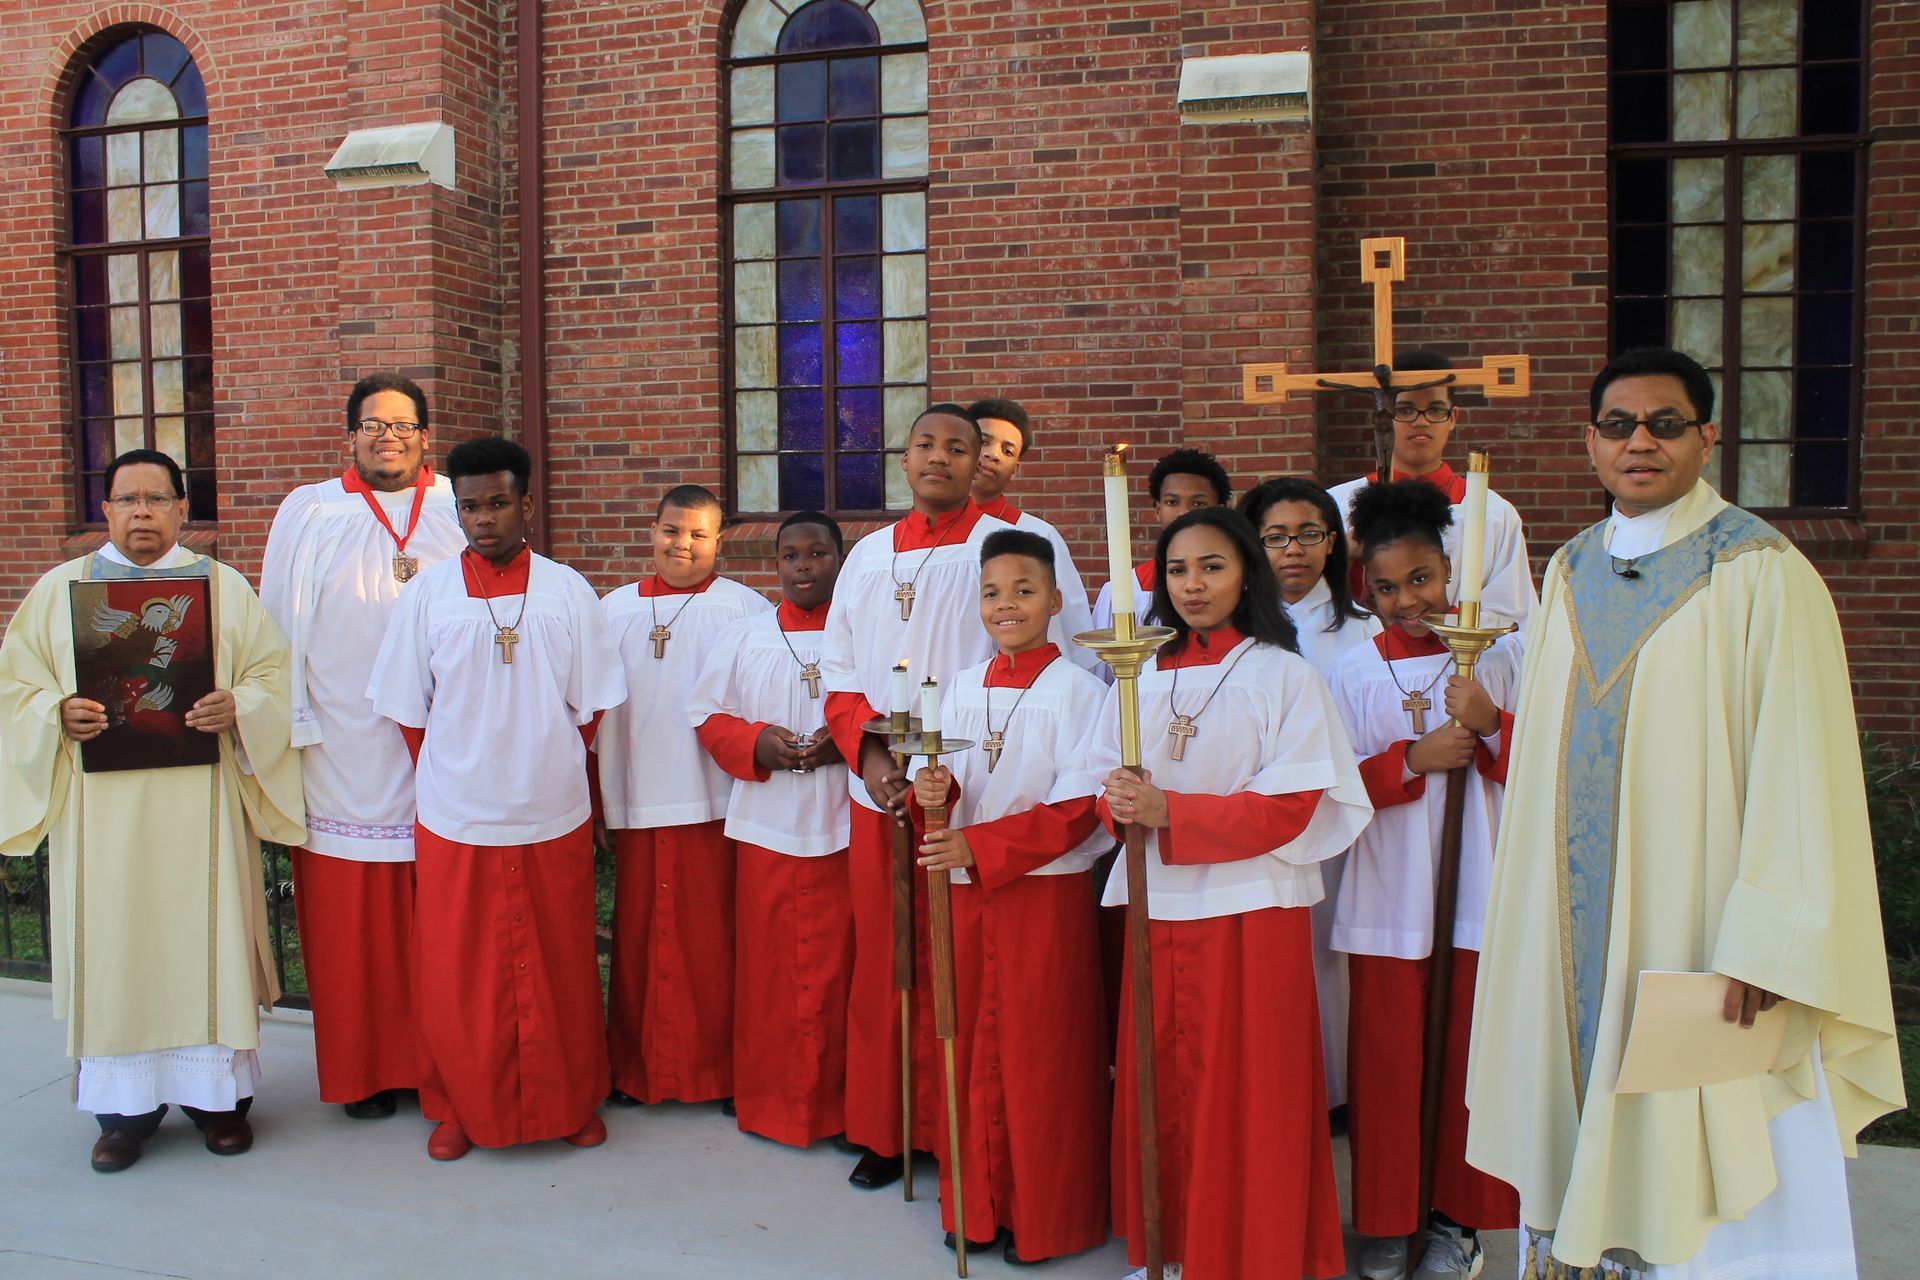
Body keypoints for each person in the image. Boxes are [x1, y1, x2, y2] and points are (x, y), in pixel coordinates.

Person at [1467, 348, 1904, 1279]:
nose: (1641, 443)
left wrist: (1771, 940)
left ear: (1708, 436)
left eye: (1666, 424)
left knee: (1713, 1135)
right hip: (1571, 929)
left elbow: (1803, 766)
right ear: (1590, 442)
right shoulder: (1572, 568)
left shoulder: (1760, 570)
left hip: (1702, 923)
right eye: (1619, 425)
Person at [0, 448, 305, 1172]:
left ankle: (216, 1101)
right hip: (102, 812)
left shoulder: (224, 589)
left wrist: (241, 704)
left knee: (206, 934)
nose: (142, 512)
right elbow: (15, 689)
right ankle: (121, 1112)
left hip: (201, 801)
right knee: (119, 943)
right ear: (105, 510)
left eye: (157, 499)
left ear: (181, 510)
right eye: (127, 499)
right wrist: (55, 712)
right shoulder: (60, 590)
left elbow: (274, 675)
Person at [1092, 506, 1372, 1280]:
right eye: (1178, 569)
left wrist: (1171, 811)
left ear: (1246, 571)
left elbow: (1295, 803)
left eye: (1212, 566)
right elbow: (1095, 776)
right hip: (1160, 906)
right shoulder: (1135, 675)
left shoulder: (1285, 675)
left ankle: (1257, 1252)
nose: (1192, 584)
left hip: (1252, 908)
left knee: (1247, 1092)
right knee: (1164, 1080)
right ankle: (1174, 1249)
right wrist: (1117, 799)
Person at [821, 403, 1070, 1188]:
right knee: (887, 960)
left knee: (961, 964)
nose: (939, 458)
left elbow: (1050, 662)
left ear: (981, 464)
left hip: (973, 796)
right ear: (904, 458)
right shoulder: (865, 557)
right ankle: (888, 1127)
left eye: (957, 448)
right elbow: (839, 671)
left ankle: (957, 1127)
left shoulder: (1009, 549)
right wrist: (871, 758)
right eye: (925, 444)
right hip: (882, 787)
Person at [367, 436, 626, 1160]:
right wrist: (458, 777)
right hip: (459, 816)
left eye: (498, 502)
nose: (484, 518)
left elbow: (593, 707)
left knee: (563, 963)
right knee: (461, 971)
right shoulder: (428, 594)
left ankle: (572, 1101)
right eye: (471, 506)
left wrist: (541, 765)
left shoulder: (567, 590)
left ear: (527, 504)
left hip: (550, 811)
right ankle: (457, 1104)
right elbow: (407, 711)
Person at [1327, 480, 1522, 1280]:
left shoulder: (1501, 656)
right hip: (1385, 896)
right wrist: (1409, 759)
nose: (1408, 600)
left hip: (1477, 892)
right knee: (1387, 1066)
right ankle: (1388, 1217)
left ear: (1451, 572)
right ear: (1363, 589)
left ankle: (1456, 1223)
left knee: (1466, 1064)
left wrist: (1489, 725)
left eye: (1422, 580)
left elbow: (1551, 764)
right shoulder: (1350, 672)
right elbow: (1327, 787)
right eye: (1386, 587)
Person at [259, 372, 464, 1121]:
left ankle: (438, 1060)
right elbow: (274, 626)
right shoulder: (312, 510)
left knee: (439, 913)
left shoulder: (460, 507)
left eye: (403, 425)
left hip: (443, 743)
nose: (388, 436)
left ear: (425, 437)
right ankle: (366, 1070)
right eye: (373, 424)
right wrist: (280, 733)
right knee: (354, 922)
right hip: (341, 743)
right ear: (350, 436)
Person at [908, 529, 1111, 1265]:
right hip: (963, 896)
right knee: (966, 1046)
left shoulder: (1083, 694)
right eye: (992, 592)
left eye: (1024, 590)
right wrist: (931, 793)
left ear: (1056, 600)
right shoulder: (957, 689)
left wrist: (982, 847)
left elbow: (1078, 805)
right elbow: (940, 791)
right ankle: (976, 1206)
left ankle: (1047, 1216)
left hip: (1042, 901)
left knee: (1042, 1058)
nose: (1007, 604)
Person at [597, 484, 772, 1108]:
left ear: (719, 540)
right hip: (636, 796)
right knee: (641, 943)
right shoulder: (612, 610)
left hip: (716, 802)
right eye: (673, 530)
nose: (683, 545)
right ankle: (636, 1070)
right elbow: (590, 709)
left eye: (699, 534)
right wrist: (596, 797)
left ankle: (720, 1073)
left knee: (715, 943)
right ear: (653, 530)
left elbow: (758, 704)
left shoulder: (746, 611)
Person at [686, 510, 851, 1147]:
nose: (803, 567)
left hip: (842, 820)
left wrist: (843, 742)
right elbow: (705, 712)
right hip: (767, 826)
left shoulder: (859, 633)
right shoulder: (746, 636)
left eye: (816, 554)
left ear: (839, 561)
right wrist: (757, 742)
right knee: (767, 970)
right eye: (790, 556)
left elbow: (898, 710)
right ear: (775, 564)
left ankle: (837, 1106)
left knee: (839, 968)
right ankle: (766, 1098)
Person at [1238, 476, 1381, 1122]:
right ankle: (1279, 1086)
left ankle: (1337, 1092)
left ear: (1334, 544)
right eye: (1274, 537)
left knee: (1334, 958)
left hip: (1341, 824)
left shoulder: (1366, 635)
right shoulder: (1241, 636)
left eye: (1308, 534)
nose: (1292, 550)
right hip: (1257, 826)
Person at [1324, 349, 1537, 630]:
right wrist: (1342, 557)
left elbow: (1515, 620)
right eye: (1405, 409)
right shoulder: (1335, 505)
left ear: (1453, 417)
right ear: (1383, 415)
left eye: (1435, 409)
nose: (1420, 421)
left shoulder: (1493, 514)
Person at [965, 397, 1100, 671]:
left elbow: (1071, 632)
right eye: (985, 442)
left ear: (1015, 469)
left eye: (1008, 450)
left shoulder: (1037, 534)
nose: (993, 454)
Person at [1091, 447, 1231, 634]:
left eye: (1198, 503)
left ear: (1221, 508)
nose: (1183, 513)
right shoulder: (1127, 590)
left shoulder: (1239, 582)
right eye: (1172, 502)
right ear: (1158, 510)